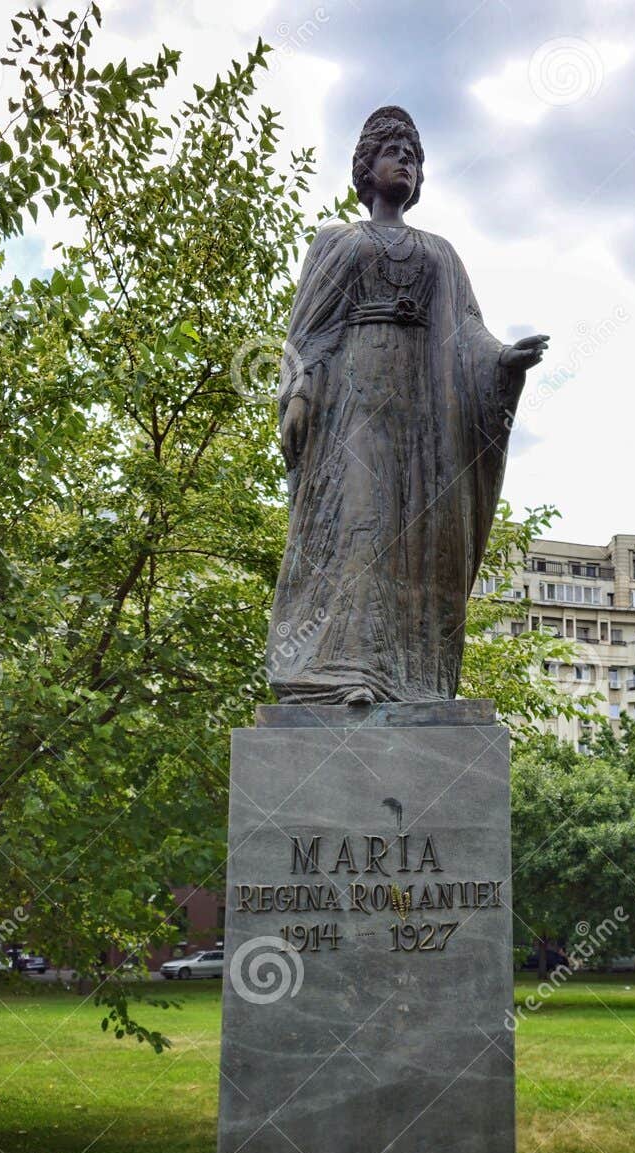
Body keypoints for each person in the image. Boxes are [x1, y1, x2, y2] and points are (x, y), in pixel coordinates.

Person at [267, 105, 548, 704]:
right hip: (354, 403)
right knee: (358, 526)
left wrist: (503, 362)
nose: (407, 164)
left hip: (423, 412)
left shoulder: (439, 252)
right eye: (395, 153)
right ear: (366, 167)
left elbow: (469, 333)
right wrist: (299, 394)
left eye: (416, 157)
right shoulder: (336, 241)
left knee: (417, 533)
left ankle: (412, 679)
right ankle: (346, 673)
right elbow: (309, 331)